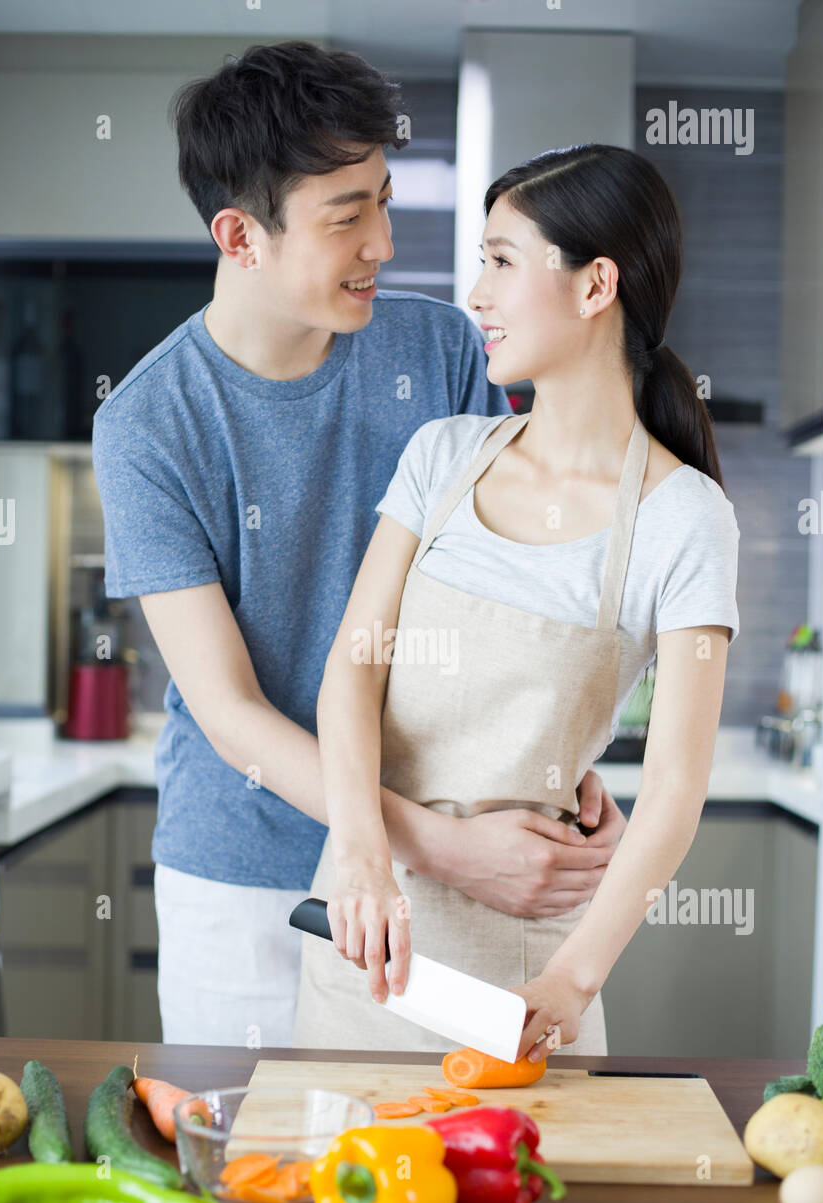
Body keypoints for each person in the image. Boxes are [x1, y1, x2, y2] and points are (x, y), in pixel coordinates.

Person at [91, 43, 625, 1048]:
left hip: (437, 859)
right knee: (253, 1180)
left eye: (382, 199)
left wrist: (554, 762)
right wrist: (436, 846)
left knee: (437, 1172)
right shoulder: (150, 424)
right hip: (246, 878)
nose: (382, 240)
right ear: (239, 236)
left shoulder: (439, 349)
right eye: (346, 217)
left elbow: (505, 599)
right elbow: (232, 712)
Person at [293, 142, 741, 1061]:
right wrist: (365, 862)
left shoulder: (685, 519)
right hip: (368, 942)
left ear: (594, 287)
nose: (477, 296)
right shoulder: (443, 455)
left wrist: (575, 978)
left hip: (526, 984)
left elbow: (673, 790)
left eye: (500, 261)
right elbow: (350, 674)